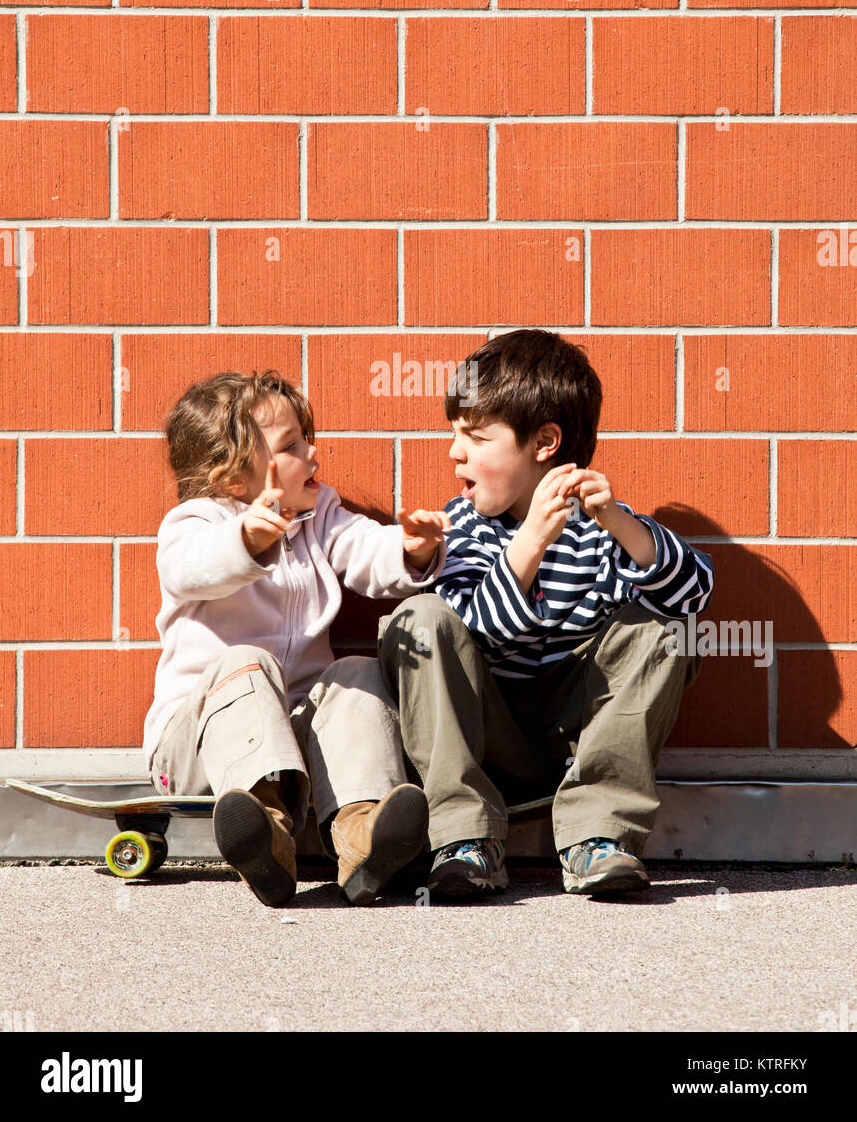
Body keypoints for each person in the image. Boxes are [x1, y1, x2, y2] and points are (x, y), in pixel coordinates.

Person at [377, 329, 714, 899]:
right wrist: (528, 544)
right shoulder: (462, 526)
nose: (454, 451)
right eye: (453, 434)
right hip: (488, 734)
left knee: (662, 627)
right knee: (419, 617)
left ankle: (599, 837)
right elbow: (478, 626)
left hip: (578, 735)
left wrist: (623, 526)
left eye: (476, 437)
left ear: (545, 442)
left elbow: (694, 596)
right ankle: (463, 838)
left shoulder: (598, 528)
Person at [143, 368, 449, 908]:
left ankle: (362, 831)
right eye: (291, 446)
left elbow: (364, 550)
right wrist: (247, 538)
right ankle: (263, 830)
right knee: (245, 661)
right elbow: (189, 569)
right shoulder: (194, 522)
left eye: (306, 439)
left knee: (356, 671)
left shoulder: (317, 514)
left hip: (297, 750)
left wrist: (412, 549)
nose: (313, 454)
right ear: (234, 478)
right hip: (196, 747)